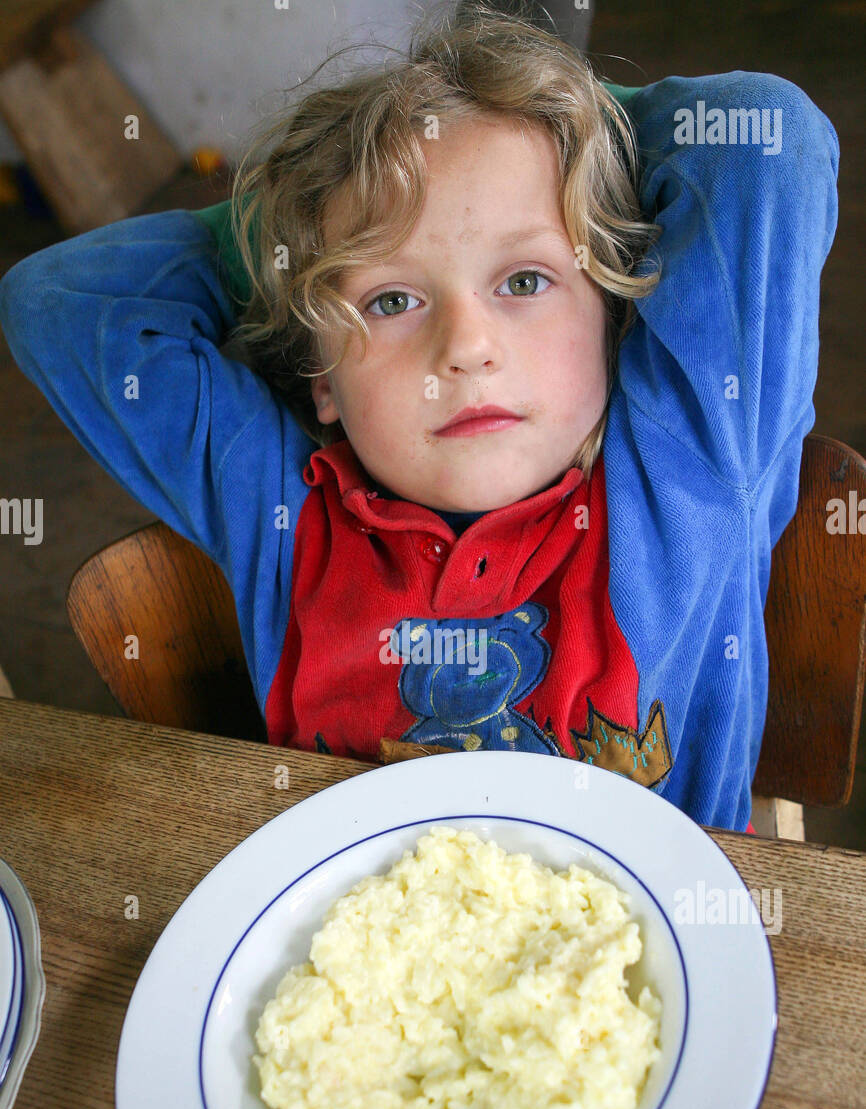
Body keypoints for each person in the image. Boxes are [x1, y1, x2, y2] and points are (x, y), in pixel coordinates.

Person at [0, 3, 838, 832]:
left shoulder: (691, 463)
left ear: (612, 320)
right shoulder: (279, 509)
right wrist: (301, 212)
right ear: (322, 376)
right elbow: (55, 302)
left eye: (524, 281)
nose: (466, 348)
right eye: (391, 298)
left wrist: (548, 127)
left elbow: (765, 138)